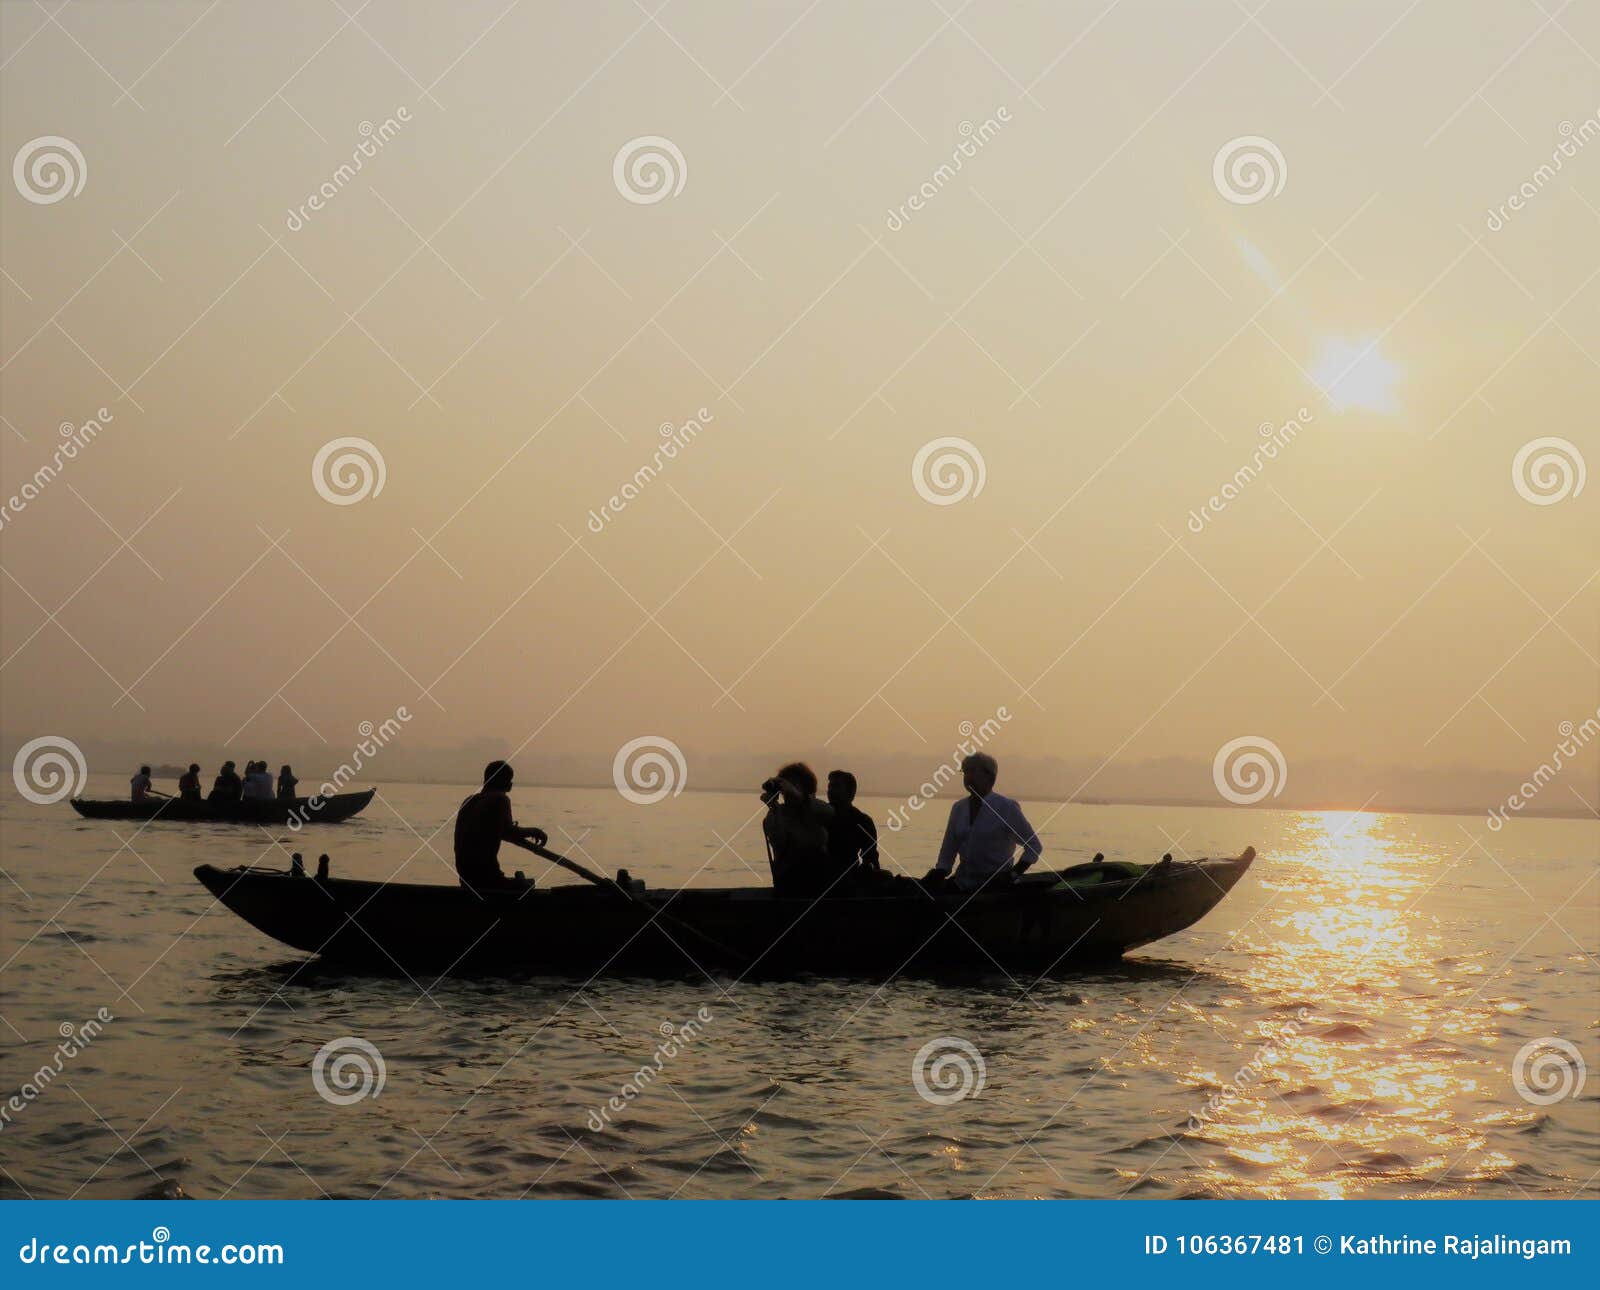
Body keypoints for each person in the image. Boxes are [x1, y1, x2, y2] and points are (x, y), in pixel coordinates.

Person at [925, 753, 1041, 892]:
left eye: (973, 771)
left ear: (989, 776)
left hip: (996, 887)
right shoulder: (958, 808)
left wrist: (1013, 874)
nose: (968, 776)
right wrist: (938, 873)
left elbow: (1034, 846)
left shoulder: (1006, 807)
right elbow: (948, 851)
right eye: (965, 771)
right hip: (962, 884)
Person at [453, 761, 547, 890]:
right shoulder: (499, 799)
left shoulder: (469, 801)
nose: (511, 784)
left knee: (523, 882)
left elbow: (496, 830)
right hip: (488, 880)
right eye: (509, 780)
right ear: (503, 782)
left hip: (466, 879)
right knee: (528, 887)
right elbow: (509, 831)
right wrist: (535, 831)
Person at [761, 762, 837, 896]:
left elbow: (829, 813)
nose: (788, 789)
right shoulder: (777, 814)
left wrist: (798, 796)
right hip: (791, 883)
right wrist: (774, 807)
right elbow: (778, 843)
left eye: (795, 784)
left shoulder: (814, 808)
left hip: (820, 883)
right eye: (786, 785)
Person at [825, 770, 879, 882]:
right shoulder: (819, 814)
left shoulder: (863, 821)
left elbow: (871, 857)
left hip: (849, 878)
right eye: (830, 787)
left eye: (836, 786)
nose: (830, 791)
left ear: (850, 792)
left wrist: (868, 867)